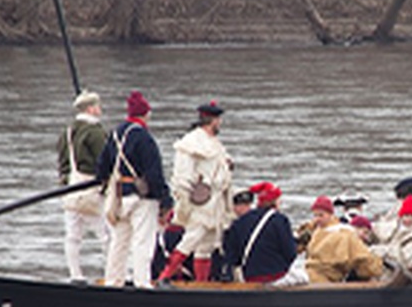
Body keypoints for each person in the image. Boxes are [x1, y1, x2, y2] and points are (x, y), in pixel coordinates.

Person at [95, 90, 171, 288]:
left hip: (120, 196)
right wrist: (165, 200)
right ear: (145, 114)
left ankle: (113, 282)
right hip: (142, 198)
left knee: (119, 242)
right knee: (142, 243)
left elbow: (102, 167)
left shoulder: (114, 135)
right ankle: (142, 283)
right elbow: (154, 174)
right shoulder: (144, 138)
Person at [158, 101, 235, 283]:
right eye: (218, 120)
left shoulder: (214, 143)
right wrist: (187, 203)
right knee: (192, 239)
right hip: (201, 203)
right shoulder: (190, 143)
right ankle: (164, 277)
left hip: (215, 203)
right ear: (212, 120)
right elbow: (181, 178)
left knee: (205, 246)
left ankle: (201, 284)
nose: (220, 123)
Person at [56, 90, 110, 284]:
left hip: (71, 190)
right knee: (106, 235)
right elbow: (105, 161)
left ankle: (75, 274)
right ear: (91, 108)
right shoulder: (95, 132)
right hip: (91, 190)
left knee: (73, 236)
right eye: (97, 106)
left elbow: (62, 163)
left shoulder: (68, 131)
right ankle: (115, 273)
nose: (100, 109)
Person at [222, 182, 297, 284]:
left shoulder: (240, 221)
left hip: (249, 277)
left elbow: (233, 255)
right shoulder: (280, 220)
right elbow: (290, 253)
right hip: (276, 276)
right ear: (275, 201)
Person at [305, 195, 384, 283]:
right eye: (315, 215)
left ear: (331, 215)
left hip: (325, 278)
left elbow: (362, 257)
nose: (317, 219)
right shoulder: (317, 231)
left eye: (321, 215)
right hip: (314, 276)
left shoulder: (344, 232)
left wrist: (376, 267)